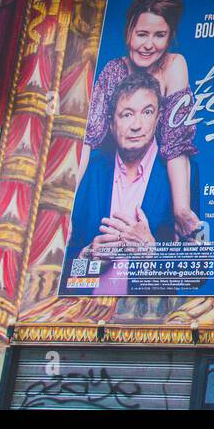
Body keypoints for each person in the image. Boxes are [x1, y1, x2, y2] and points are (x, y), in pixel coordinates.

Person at [84, 0, 201, 237]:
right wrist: (67, 205)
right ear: (129, 32)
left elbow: (175, 141)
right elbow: (88, 138)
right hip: (113, 176)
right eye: (142, 34)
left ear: (170, 37)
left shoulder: (174, 65)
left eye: (159, 35)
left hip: (157, 180)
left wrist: (182, 209)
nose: (149, 45)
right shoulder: (113, 70)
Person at [64, 71, 176, 294]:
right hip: (83, 317)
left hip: (146, 320)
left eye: (147, 112)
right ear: (111, 123)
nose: (137, 125)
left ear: (159, 117)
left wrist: (151, 254)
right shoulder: (89, 169)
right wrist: (87, 259)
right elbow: (60, 268)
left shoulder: (178, 174)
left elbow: (198, 273)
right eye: (126, 115)